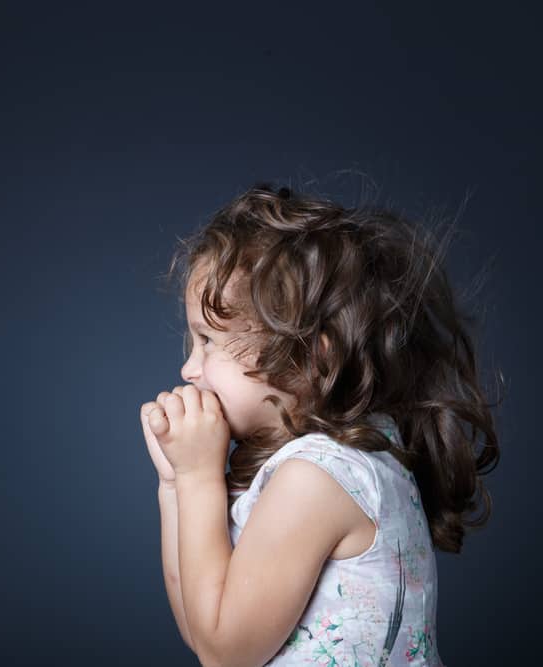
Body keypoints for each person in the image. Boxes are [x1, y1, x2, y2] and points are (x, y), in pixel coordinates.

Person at [140, 185, 497, 666]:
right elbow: (201, 625)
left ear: (309, 356)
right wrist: (174, 485)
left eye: (207, 341)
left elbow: (223, 653)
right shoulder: (343, 456)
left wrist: (198, 477)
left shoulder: (318, 478)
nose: (189, 369)